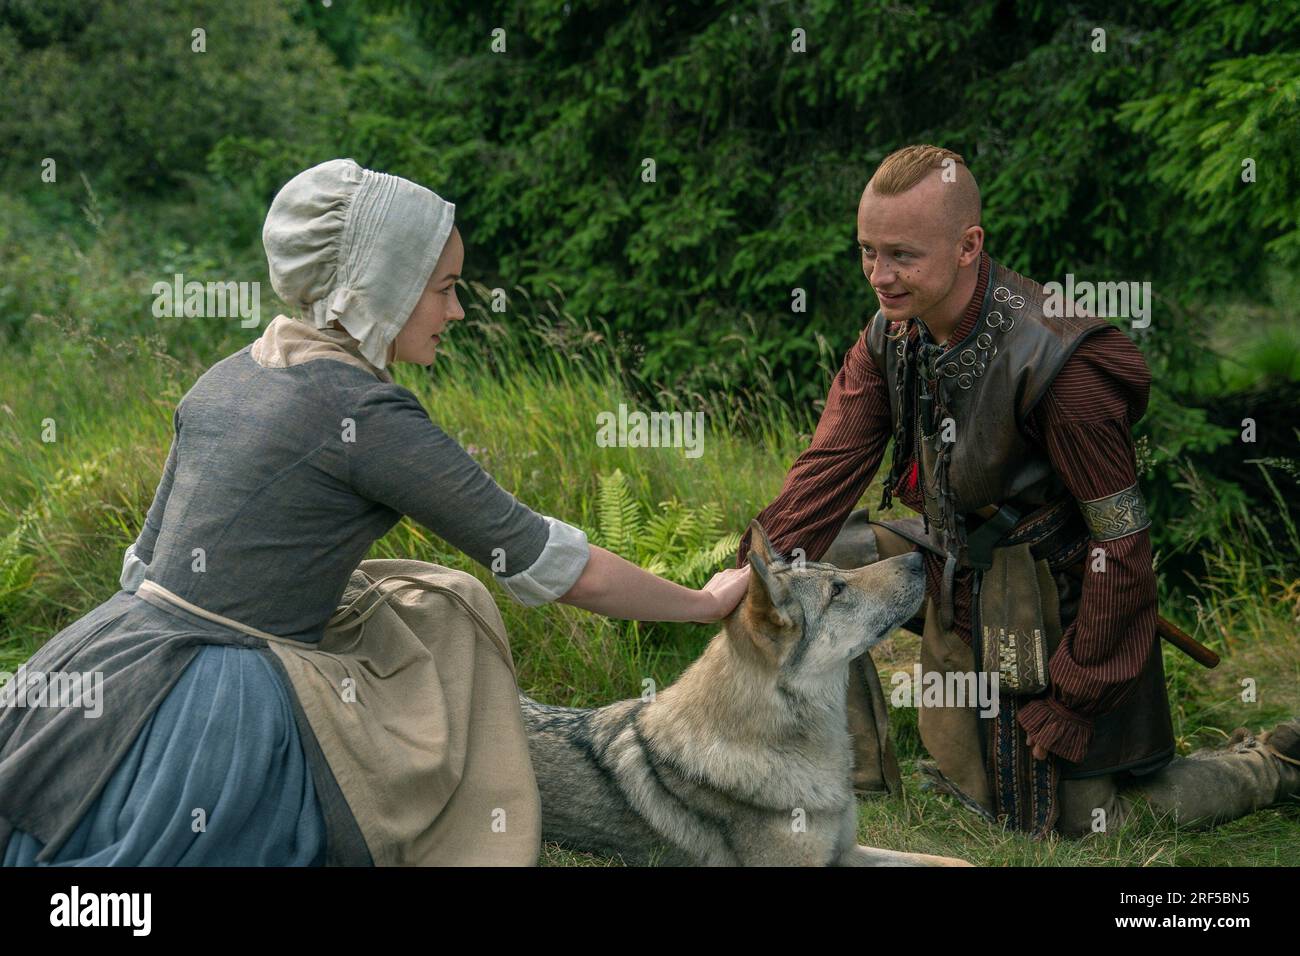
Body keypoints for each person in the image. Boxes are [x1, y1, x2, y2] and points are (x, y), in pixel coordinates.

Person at [0, 158, 751, 866]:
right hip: (218, 704)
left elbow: (142, 563)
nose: (457, 310)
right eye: (445, 287)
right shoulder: (365, 412)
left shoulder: (226, 376)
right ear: (384, 285)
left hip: (113, 648)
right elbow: (544, 561)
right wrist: (699, 602)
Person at [735, 144, 1300, 838]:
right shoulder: (893, 333)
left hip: (1053, 596)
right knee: (806, 569)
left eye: (903, 255)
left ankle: (1268, 763)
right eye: (867, 251)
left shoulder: (1063, 364)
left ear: (969, 245)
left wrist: (1075, 698)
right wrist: (748, 580)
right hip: (950, 564)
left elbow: (1121, 549)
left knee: (1086, 821)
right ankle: (853, 774)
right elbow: (827, 469)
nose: (880, 276)